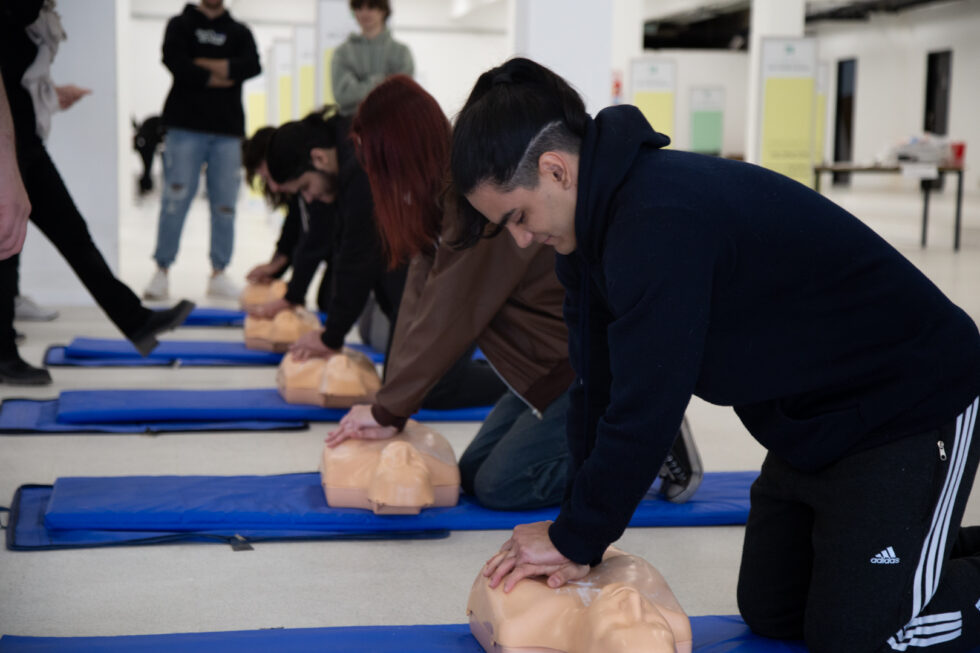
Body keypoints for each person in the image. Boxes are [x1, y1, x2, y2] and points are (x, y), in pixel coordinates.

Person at [451, 57, 980, 653]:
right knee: (774, 610)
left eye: (518, 216)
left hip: (908, 404)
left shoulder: (659, 220)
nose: (521, 239)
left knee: (863, 637)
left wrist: (577, 536)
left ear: (556, 170)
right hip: (813, 426)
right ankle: (911, 553)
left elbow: (648, 405)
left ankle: (910, 561)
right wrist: (577, 528)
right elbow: (596, 387)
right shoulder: (587, 244)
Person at [323, 76, 701, 511]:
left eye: (380, 167)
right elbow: (419, 297)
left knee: (502, 486)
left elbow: (449, 312)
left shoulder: (481, 202)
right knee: (472, 472)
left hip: (580, 363)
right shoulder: (444, 200)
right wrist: (389, 400)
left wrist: (388, 409)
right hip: (543, 369)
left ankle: (648, 446)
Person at [264, 107, 507, 417]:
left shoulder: (360, 165)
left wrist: (331, 337)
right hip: (435, 267)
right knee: (398, 382)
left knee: (429, 389)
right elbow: (347, 247)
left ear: (319, 159)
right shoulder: (343, 160)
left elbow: (357, 256)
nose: (308, 199)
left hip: (466, 265)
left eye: (305, 189)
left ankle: (520, 382)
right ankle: (483, 363)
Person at [0, 0, 194, 385]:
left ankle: (136, 321)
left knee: (69, 234)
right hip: (11, 146)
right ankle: (4, 353)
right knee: (7, 245)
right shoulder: (14, 12)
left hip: (24, 142)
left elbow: (13, 81)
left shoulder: (26, 17)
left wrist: (52, 94)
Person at [143, 0, 261, 301]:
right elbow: (175, 61)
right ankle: (162, 269)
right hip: (184, 127)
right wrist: (223, 72)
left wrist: (201, 63)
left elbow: (252, 65)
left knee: (225, 204)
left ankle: (219, 272)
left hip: (228, 130)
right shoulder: (179, 25)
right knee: (175, 197)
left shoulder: (240, 31)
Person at [241, 126, 334, 315]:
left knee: (331, 299)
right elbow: (295, 229)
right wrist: (276, 268)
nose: (274, 187)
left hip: (349, 250)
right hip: (336, 247)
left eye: (268, 177)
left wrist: (292, 295)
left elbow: (316, 238)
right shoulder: (303, 181)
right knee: (327, 299)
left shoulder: (312, 177)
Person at [331, 0, 413, 119]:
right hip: (351, 125)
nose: (364, 13)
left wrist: (361, 86)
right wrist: (383, 80)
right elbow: (343, 95)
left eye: (371, 6)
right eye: (359, 7)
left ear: (383, 10)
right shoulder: (342, 53)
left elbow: (402, 94)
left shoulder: (401, 52)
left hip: (392, 124)